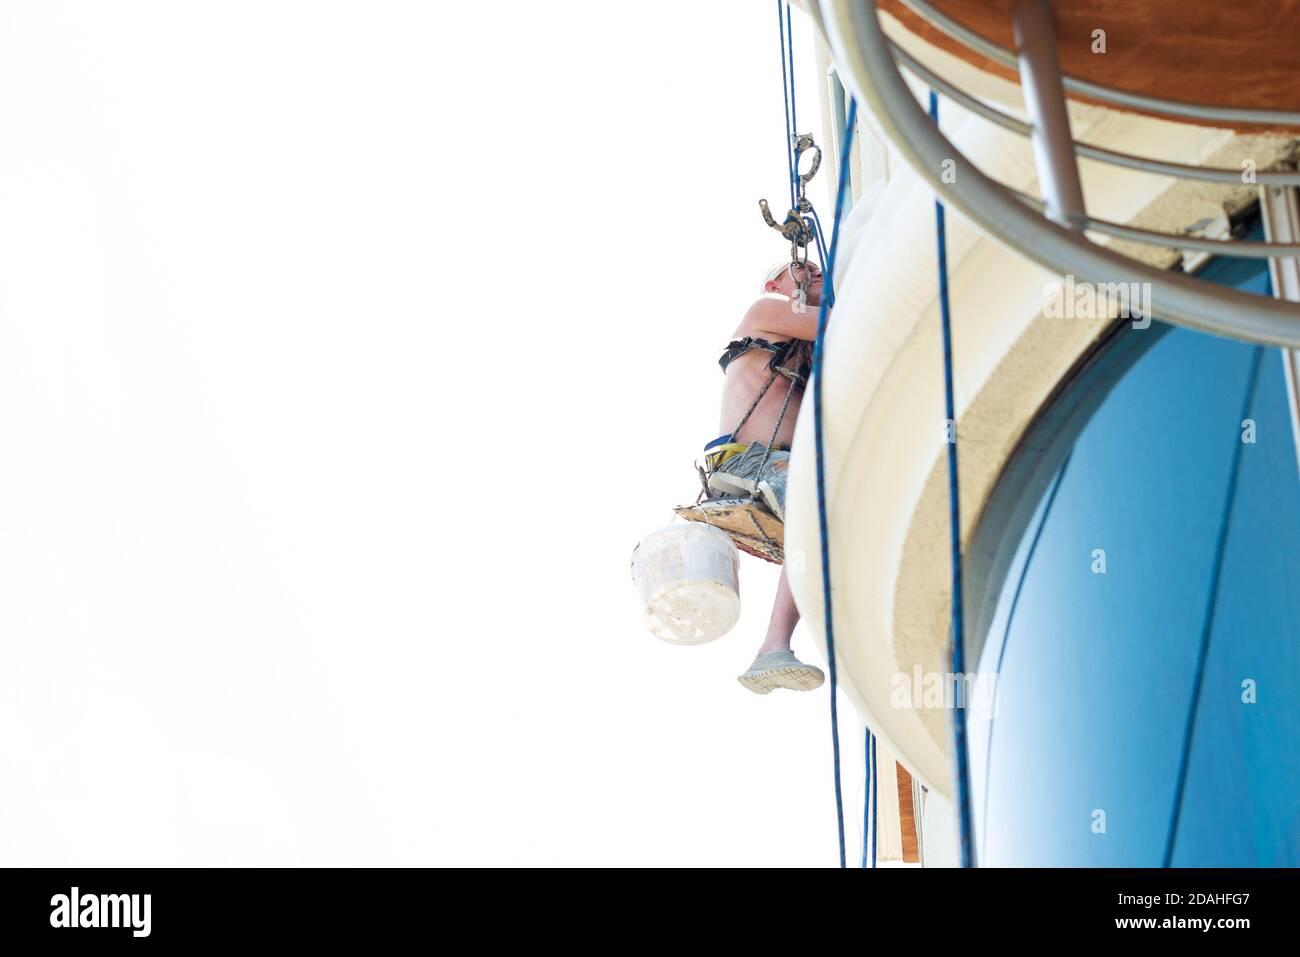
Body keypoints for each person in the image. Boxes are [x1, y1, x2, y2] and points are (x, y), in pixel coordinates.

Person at [704, 260, 826, 695]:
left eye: (818, 270)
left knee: (813, 532)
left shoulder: (809, 356)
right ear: (775, 283)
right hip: (745, 465)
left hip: (780, 469)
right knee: (817, 506)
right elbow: (841, 318)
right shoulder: (766, 308)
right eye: (801, 268)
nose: (813, 273)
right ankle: (772, 645)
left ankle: (773, 648)